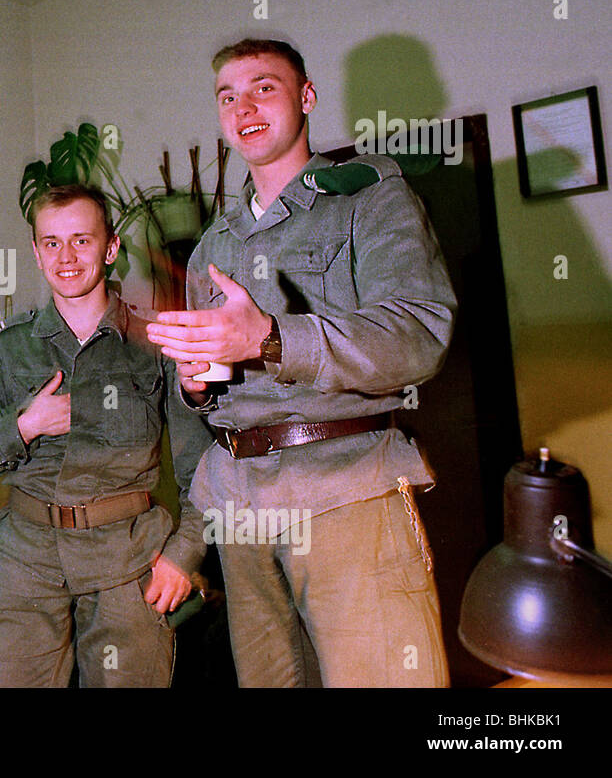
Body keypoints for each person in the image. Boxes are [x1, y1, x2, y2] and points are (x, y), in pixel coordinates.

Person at [146, 38, 456, 687]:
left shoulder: (370, 198)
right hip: (243, 510)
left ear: (307, 97)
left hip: (346, 492)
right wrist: (202, 384)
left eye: (264, 86)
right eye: (228, 95)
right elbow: (203, 407)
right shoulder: (212, 247)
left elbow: (419, 334)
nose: (244, 106)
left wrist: (270, 338)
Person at [0, 183, 212, 687]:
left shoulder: (153, 346)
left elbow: (203, 467)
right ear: (36, 252)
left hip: (129, 560)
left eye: (81, 240)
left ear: (111, 247)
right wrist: (26, 425)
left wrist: (184, 555)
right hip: (27, 559)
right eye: (51, 243)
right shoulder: (11, 348)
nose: (66, 256)